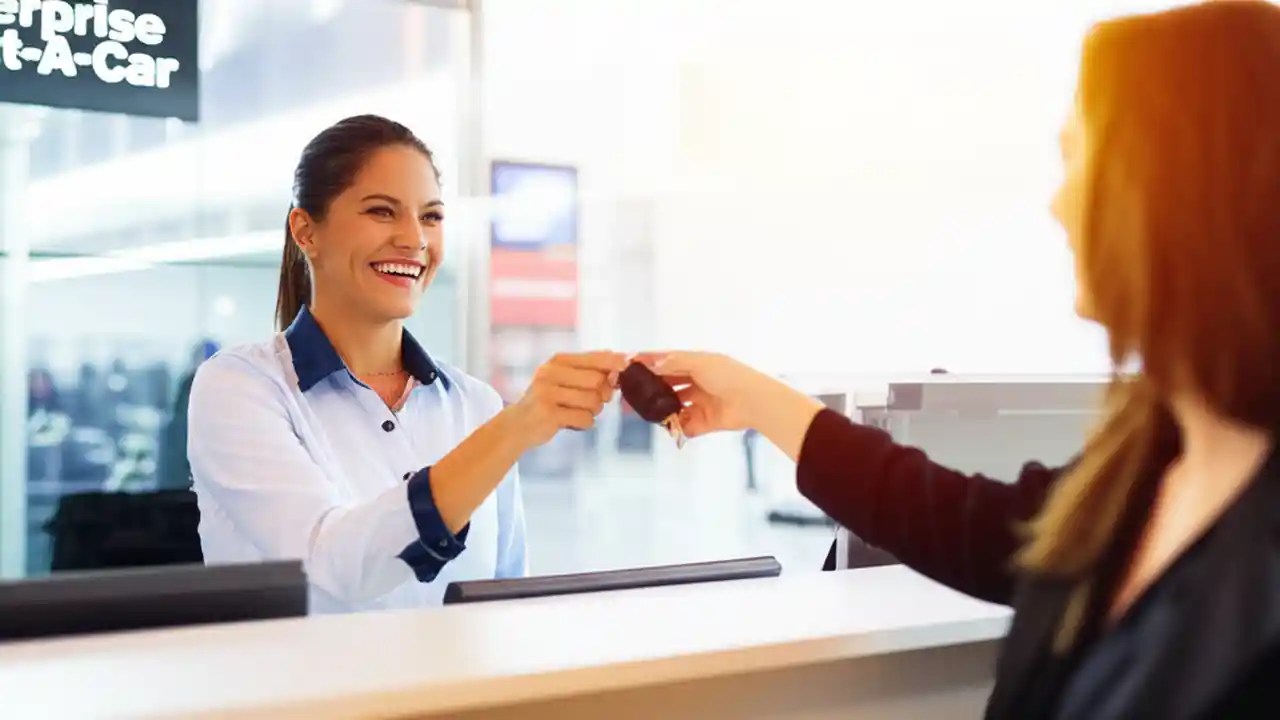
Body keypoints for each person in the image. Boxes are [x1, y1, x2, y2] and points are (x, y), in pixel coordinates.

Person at [643, 3, 1280, 717]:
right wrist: (758, 400)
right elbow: (970, 525)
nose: (1059, 206)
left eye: (1079, 159)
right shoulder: (1149, 457)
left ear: (1173, 191)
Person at [188, 115, 625, 613]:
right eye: (382, 211)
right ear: (306, 231)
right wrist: (515, 428)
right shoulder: (241, 388)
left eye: (432, 217)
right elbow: (330, 566)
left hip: (456, 692)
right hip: (305, 691)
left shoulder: (475, 404)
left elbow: (505, 600)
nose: (415, 238)